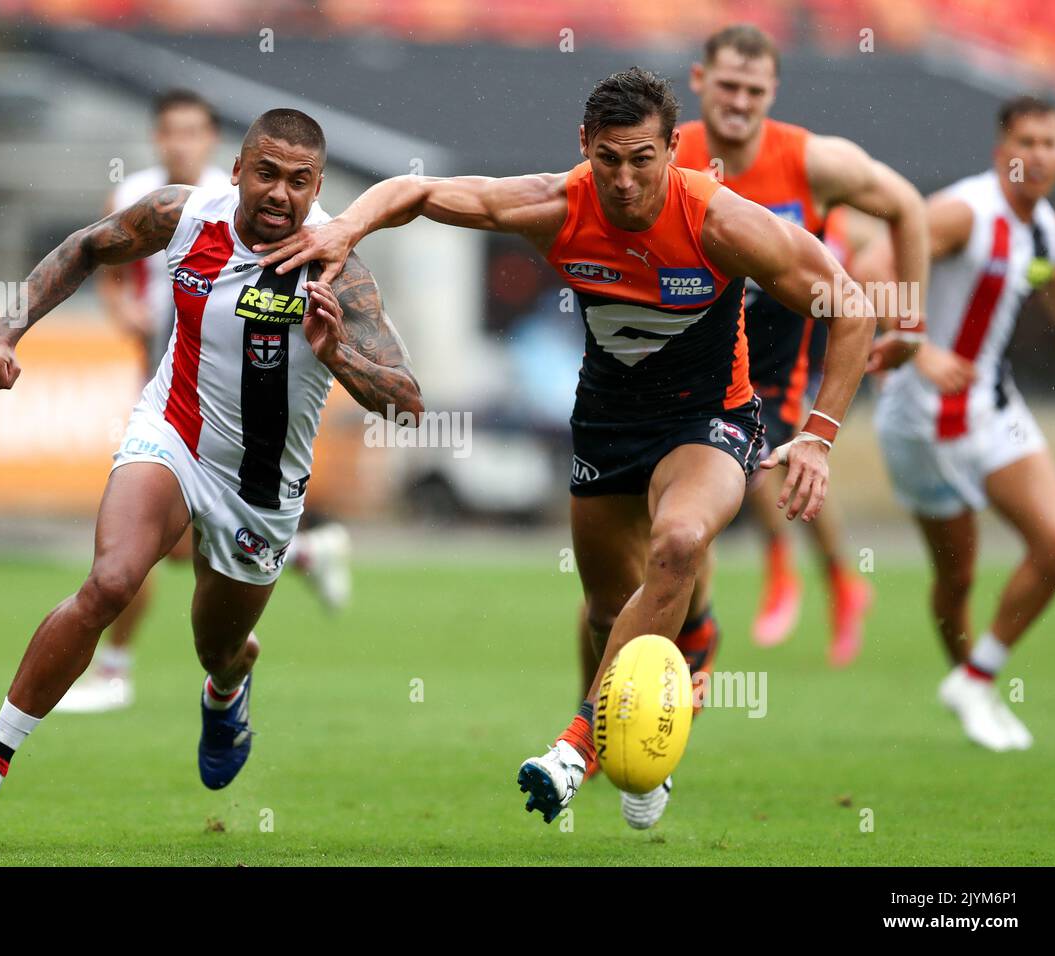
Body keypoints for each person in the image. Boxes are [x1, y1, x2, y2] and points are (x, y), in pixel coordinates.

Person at [257, 69, 875, 830]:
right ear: (584, 146)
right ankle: (688, 653)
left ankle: (577, 747)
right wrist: (346, 227)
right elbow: (417, 193)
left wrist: (816, 436)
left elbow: (849, 304)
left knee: (678, 542)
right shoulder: (554, 205)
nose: (623, 179)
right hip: (607, 427)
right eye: (608, 158)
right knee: (607, 611)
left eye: (642, 159)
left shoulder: (722, 222)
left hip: (710, 421)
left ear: (673, 150)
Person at [0, 109, 423, 829]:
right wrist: (4, 333)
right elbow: (86, 247)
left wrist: (338, 353)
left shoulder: (338, 272)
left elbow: (408, 402)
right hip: (172, 436)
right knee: (109, 582)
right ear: (236, 170)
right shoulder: (186, 216)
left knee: (217, 647)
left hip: (261, 489)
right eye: (266, 173)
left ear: (318, 186)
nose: (280, 194)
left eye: (298, 181)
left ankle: (227, 689)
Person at [59, 90, 351, 714]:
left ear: (217, 145)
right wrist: (123, 310)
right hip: (169, 368)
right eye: (169, 132)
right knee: (131, 548)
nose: (179, 144)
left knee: (177, 546)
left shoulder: (259, 207)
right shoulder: (146, 197)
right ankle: (115, 668)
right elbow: (107, 263)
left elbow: (397, 386)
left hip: (244, 390)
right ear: (156, 137)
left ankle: (284, 564)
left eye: (192, 132)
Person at [673, 24, 930, 666]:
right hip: (686, 359)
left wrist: (910, 319)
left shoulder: (812, 161)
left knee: (753, 469)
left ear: (774, 92)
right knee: (695, 505)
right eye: (727, 85)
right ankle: (823, 580)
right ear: (700, 81)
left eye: (754, 90)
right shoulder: (670, 153)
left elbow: (907, 208)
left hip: (774, 365)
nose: (739, 102)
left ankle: (789, 577)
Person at [871, 96, 1055, 751]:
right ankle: (968, 682)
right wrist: (917, 346)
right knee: (956, 578)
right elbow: (871, 268)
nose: (1038, 155)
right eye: (1026, 142)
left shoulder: (1047, 234)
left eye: (1050, 143)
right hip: (920, 423)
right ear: (1000, 152)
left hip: (992, 411)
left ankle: (976, 678)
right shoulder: (962, 213)